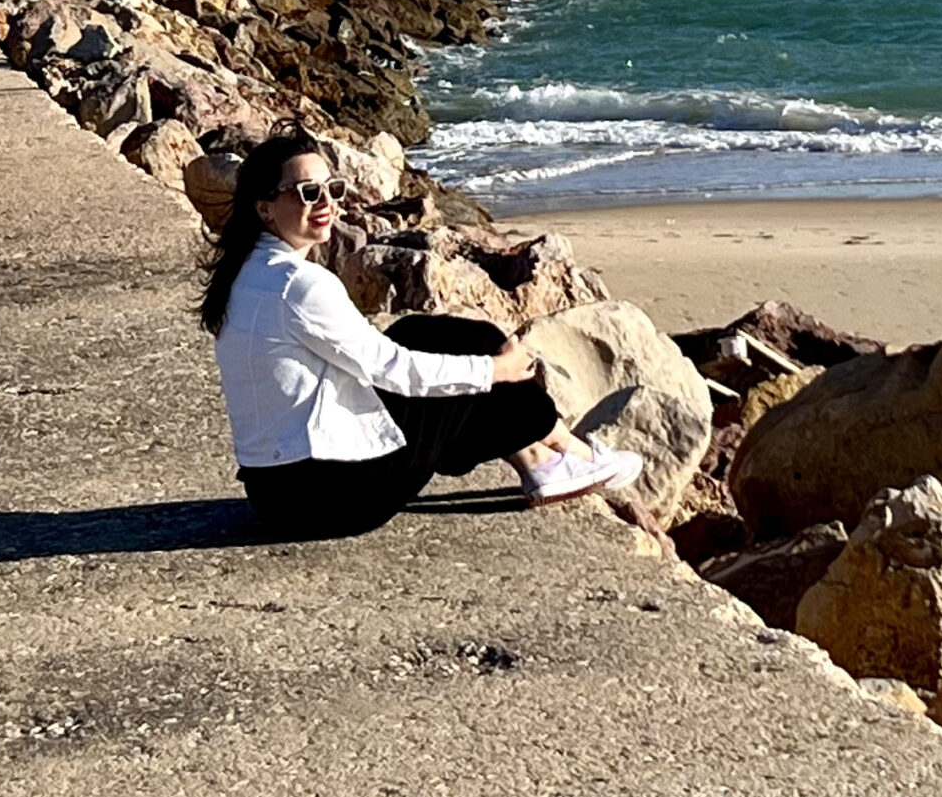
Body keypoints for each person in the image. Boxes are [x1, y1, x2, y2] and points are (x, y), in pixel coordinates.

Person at [200, 129, 640, 537]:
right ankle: (572, 453)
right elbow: (396, 371)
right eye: (308, 193)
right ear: (265, 208)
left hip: (275, 493)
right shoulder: (301, 285)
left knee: (418, 331)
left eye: (333, 189)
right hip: (334, 497)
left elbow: (382, 357)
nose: (327, 204)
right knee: (478, 346)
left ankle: (541, 459)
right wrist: (495, 370)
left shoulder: (244, 272)